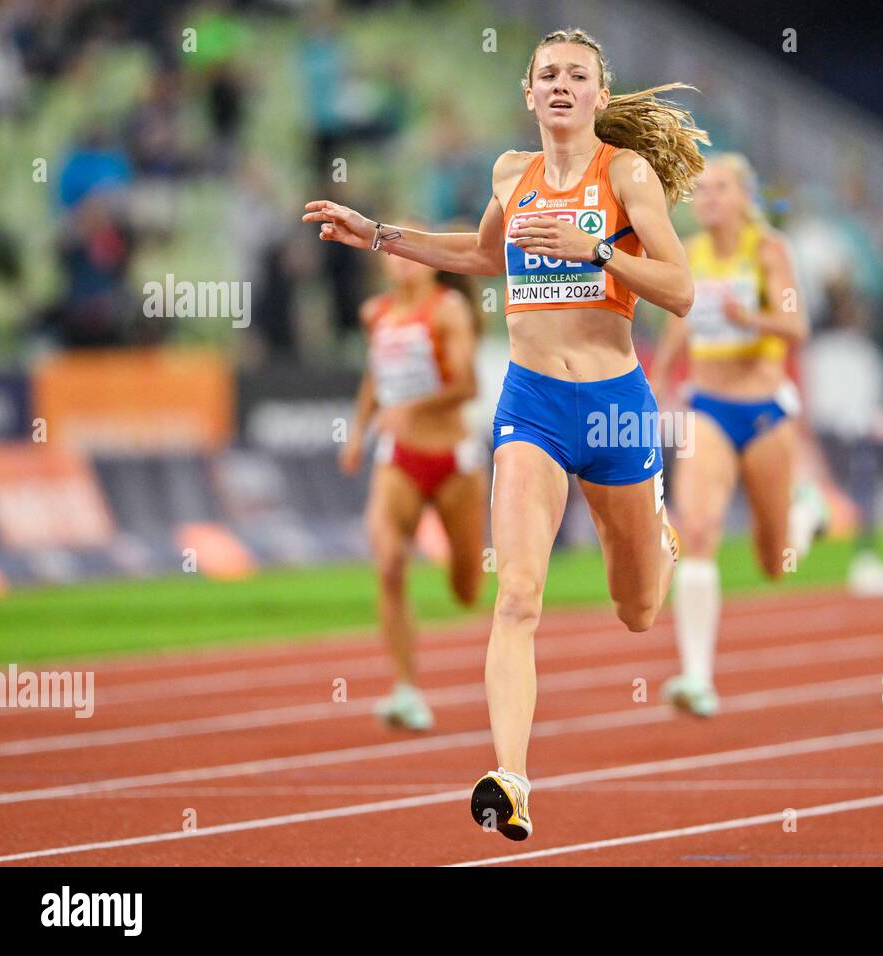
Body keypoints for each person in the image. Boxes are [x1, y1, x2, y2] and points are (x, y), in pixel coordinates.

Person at [304, 28, 706, 840]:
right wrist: (379, 233)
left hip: (616, 407)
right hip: (532, 410)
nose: (561, 85)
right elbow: (483, 257)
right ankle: (513, 778)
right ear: (528, 94)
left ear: (598, 93)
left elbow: (682, 289)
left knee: (638, 610)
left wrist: (597, 250)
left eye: (576, 75)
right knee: (517, 594)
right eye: (547, 74)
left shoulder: (625, 175)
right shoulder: (510, 174)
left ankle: (655, 535)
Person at [648, 154, 810, 718]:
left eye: (720, 189)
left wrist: (751, 318)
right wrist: (661, 374)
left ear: (744, 197)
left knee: (774, 559)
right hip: (708, 406)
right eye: (701, 190)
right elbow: (678, 318)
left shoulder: (768, 251)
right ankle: (697, 679)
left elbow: (796, 326)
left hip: (764, 408)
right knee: (698, 527)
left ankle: (803, 519)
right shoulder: (688, 254)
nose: (708, 198)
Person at [340, 229, 487, 732]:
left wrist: (412, 408)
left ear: (427, 260)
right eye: (392, 256)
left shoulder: (449, 310)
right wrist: (358, 433)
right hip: (398, 458)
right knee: (389, 563)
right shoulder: (374, 314)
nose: (401, 264)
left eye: (409, 255)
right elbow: (374, 376)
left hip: (453, 459)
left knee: (467, 588)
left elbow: (467, 385)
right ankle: (405, 688)